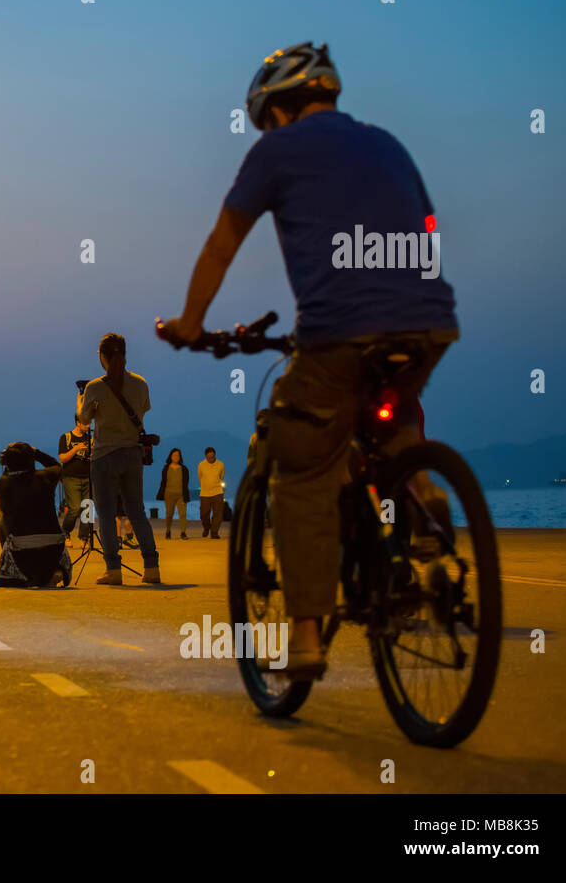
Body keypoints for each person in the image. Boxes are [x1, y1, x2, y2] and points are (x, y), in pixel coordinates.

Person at [161, 42, 458, 680]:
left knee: (300, 469)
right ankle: (422, 490)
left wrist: (189, 325)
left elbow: (221, 244)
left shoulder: (276, 151)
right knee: (392, 420)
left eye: (266, 118)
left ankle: (304, 639)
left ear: (280, 108)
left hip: (339, 333)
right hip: (429, 320)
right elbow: (428, 227)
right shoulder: (389, 145)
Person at [76, 333, 162, 585]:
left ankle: (113, 570)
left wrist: (81, 401)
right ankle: (152, 568)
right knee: (137, 512)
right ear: (124, 353)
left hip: (104, 455)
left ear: (102, 356)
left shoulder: (94, 387)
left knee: (106, 513)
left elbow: (83, 420)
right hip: (132, 454)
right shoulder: (140, 383)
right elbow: (143, 410)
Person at [0, 443, 71, 588]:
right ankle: (54, 570)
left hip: (22, 553)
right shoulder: (46, 477)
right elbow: (56, 466)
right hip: (53, 550)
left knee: (2, 519)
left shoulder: (3, 484)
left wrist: (11, 457)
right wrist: (35, 452)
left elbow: (7, 510)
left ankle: (21, 572)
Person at [58, 413, 93, 548]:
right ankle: (65, 532)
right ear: (78, 423)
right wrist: (76, 449)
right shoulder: (66, 438)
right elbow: (63, 458)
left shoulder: (90, 439)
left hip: (87, 477)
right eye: (86, 423)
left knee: (88, 508)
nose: (88, 426)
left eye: (89, 423)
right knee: (74, 508)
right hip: (70, 477)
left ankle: (84, 536)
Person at [158, 448, 190, 540]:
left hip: (181, 495)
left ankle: (183, 532)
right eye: (174, 455)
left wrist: (185, 494)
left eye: (178, 455)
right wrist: (161, 493)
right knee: (169, 514)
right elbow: (163, 482)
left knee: (183, 514)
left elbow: (186, 482)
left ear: (180, 457)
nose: (176, 457)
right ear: (170, 456)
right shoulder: (166, 469)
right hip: (169, 494)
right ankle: (168, 531)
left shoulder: (184, 469)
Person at [197, 448, 225, 538]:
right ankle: (206, 527)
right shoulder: (201, 465)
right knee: (204, 514)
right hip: (205, 493)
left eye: (212, 457)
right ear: (206, 456)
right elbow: (200, 477)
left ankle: (214, 532)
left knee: (218, 514)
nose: (211, 459)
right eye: (209, 457)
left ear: (215, 455)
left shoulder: (220, 464)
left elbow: (221, 476)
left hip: (217, 492)